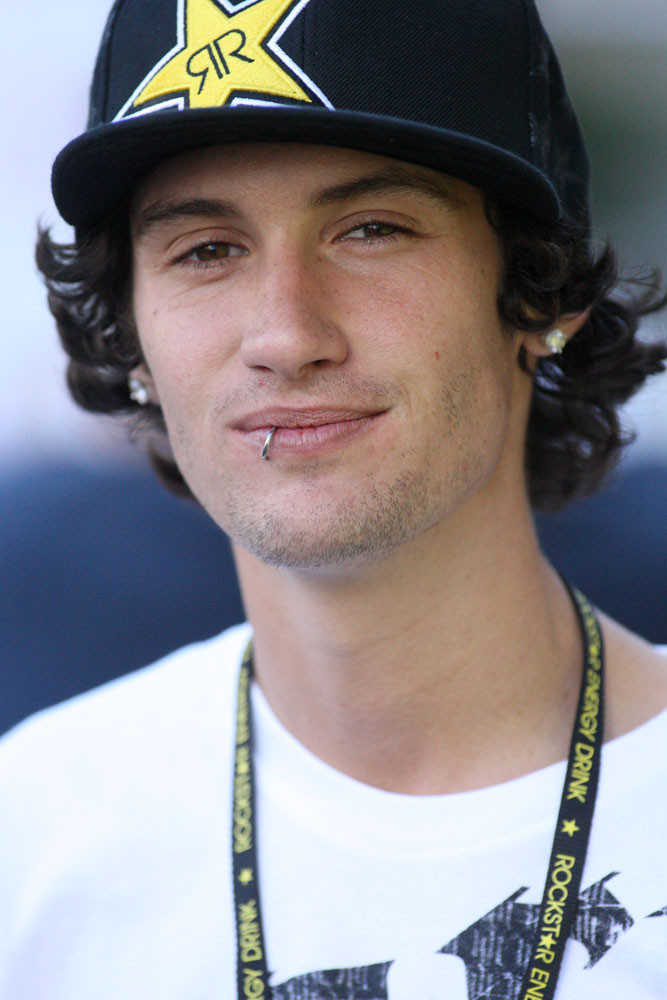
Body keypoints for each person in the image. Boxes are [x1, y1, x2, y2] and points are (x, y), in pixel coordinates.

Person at [1, 1, 666, 997]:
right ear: (133, 342)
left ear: (541, 298)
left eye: (370, 229)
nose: (285, 332)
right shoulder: (33, 843)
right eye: (206, 250)